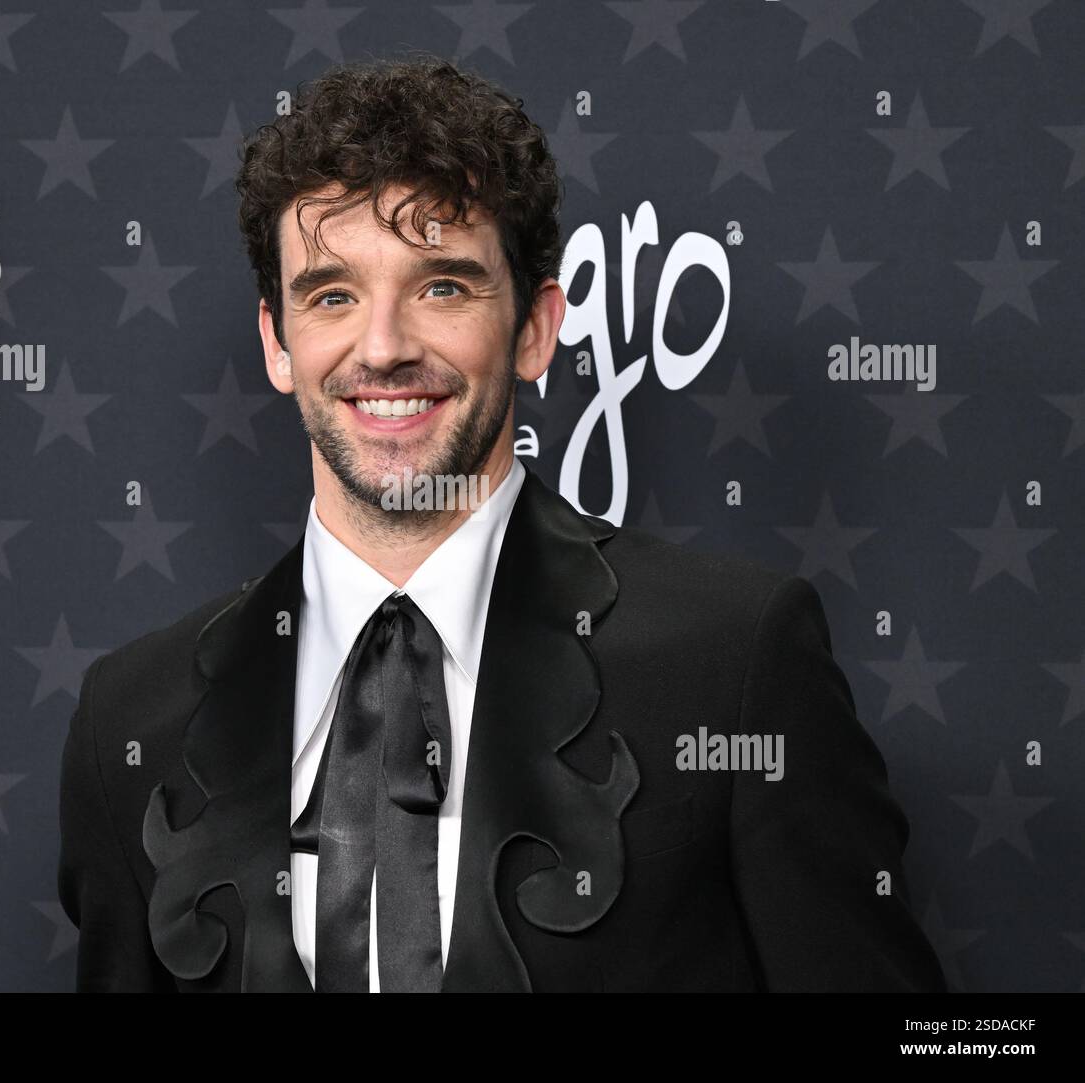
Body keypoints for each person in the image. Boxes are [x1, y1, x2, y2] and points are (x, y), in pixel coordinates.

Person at [57, 53, 946, 993]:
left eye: (443, 285)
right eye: (332, 294)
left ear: (535, 328)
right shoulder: (134, 719)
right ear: (279, 342)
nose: (386, 345)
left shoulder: (732, 665)